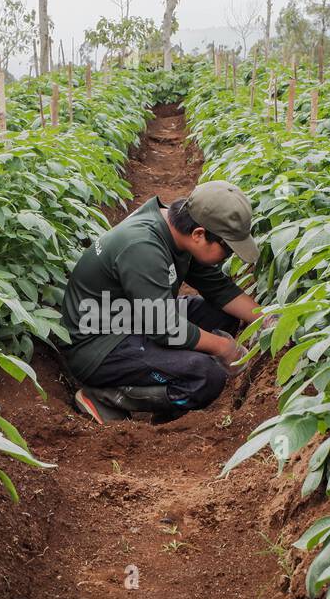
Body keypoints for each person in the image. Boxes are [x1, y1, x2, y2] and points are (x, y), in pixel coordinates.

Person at [59, 179, 267, 423]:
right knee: (207, 377)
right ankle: (106, 396)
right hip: (100, 345)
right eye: (228, 249)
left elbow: (221, 291)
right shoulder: (142, 246)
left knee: (223, 314)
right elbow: (164, 328)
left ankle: (167, 376)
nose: (229, 256)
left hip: (136, 317)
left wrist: (270, 319)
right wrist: (223, 348)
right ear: (199, 234)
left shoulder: (177, 229)